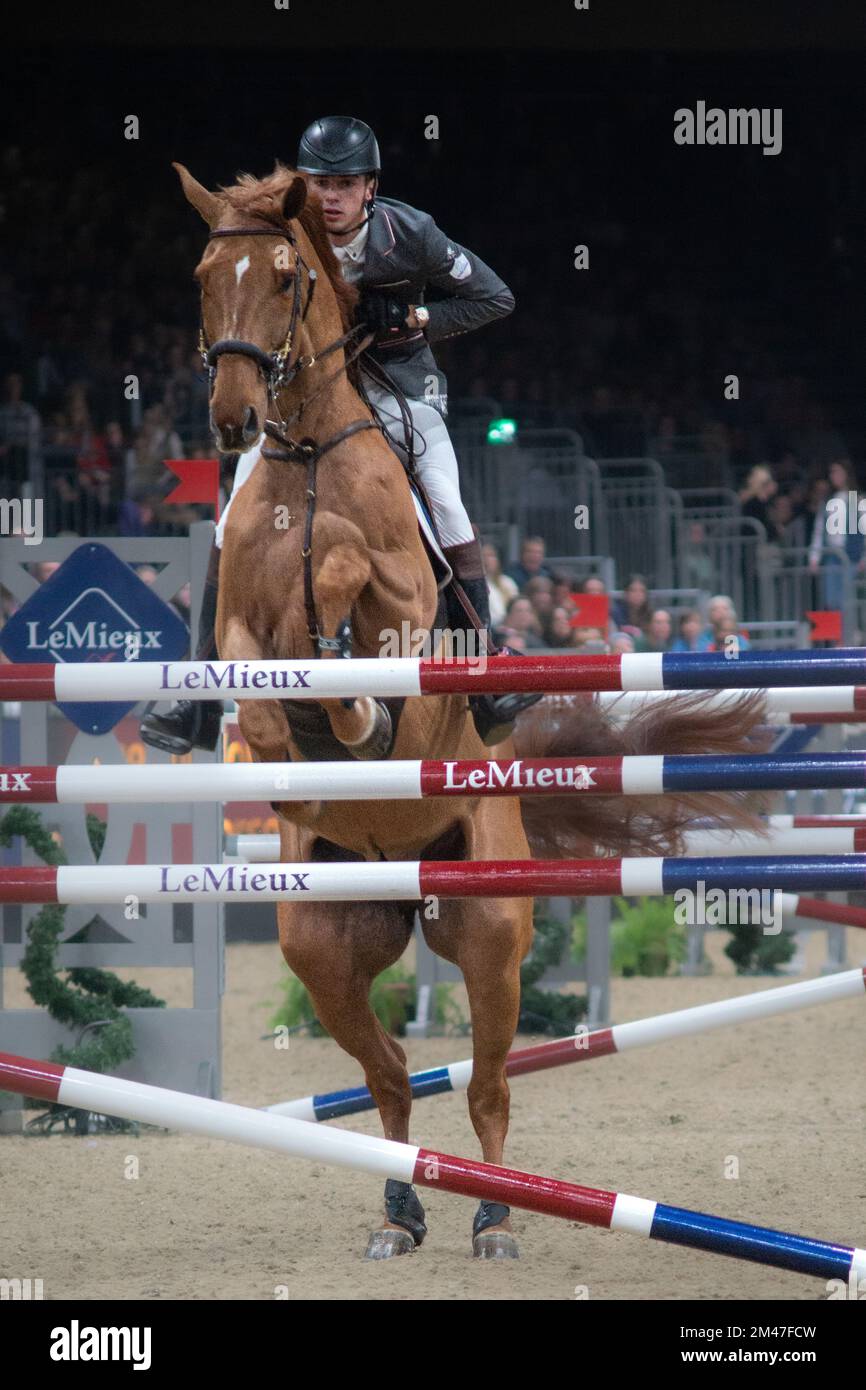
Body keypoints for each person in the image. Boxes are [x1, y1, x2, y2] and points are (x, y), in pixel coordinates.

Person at [142, 116, 530, 754]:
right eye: (320, 182)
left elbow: (495, 298)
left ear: (370, 187)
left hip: (396, 384)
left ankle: (484, 667)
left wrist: (414, 314)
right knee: (227, 519)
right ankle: (199, 697)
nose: (331, 197)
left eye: (346, 184)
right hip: (305, 391)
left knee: (443, 496)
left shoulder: (410, 232)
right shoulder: (286, 228)